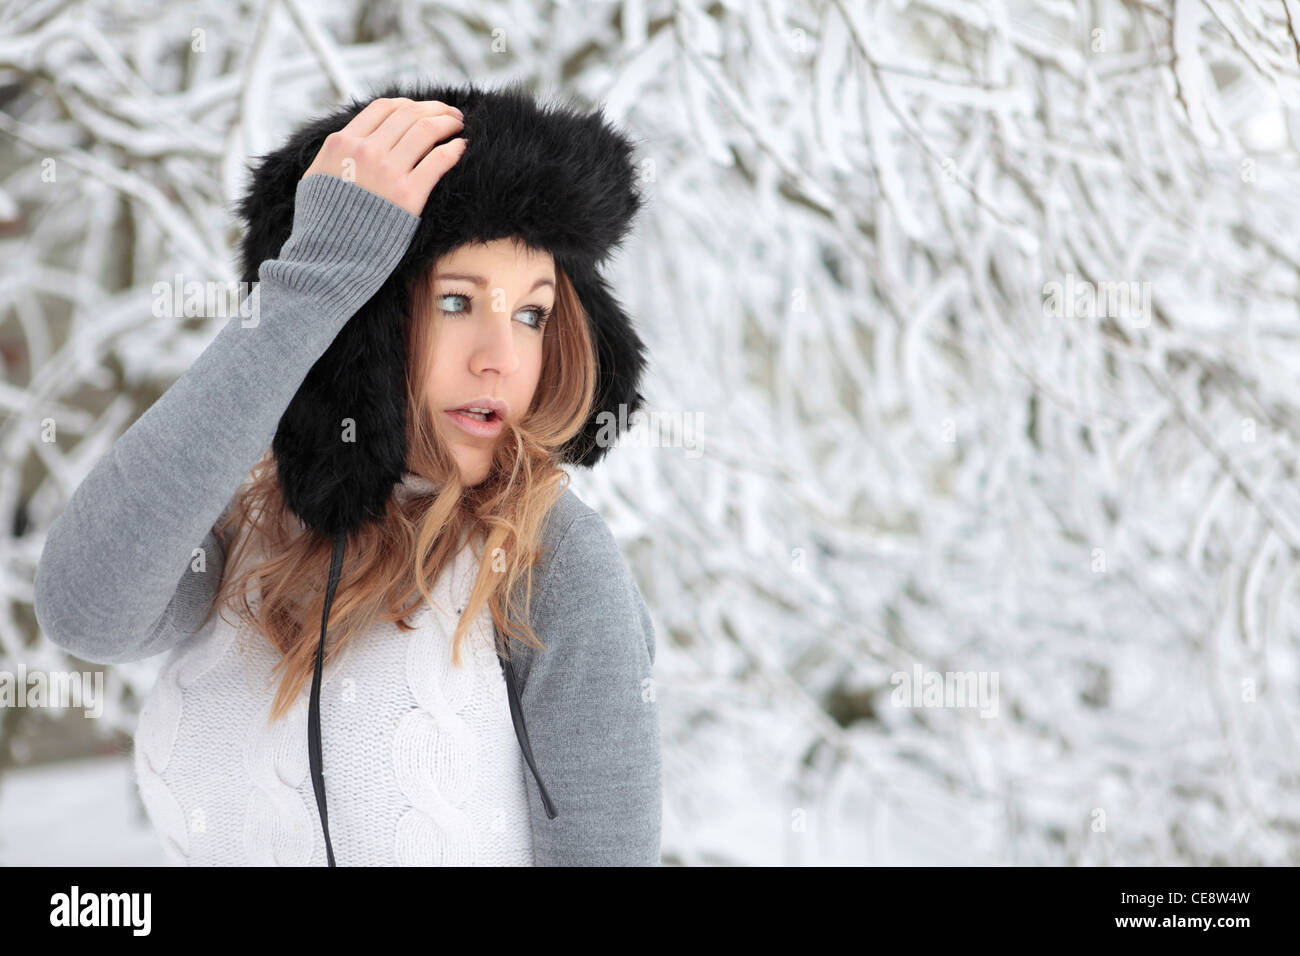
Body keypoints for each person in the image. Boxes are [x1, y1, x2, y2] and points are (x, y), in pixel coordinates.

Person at [32, 82, 661, 866]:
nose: (501, 357)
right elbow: (83, 610)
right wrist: (304, 293)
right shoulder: (242, 527)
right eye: (457, 301)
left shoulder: (551, 561)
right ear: (358, 322)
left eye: (531, 314)